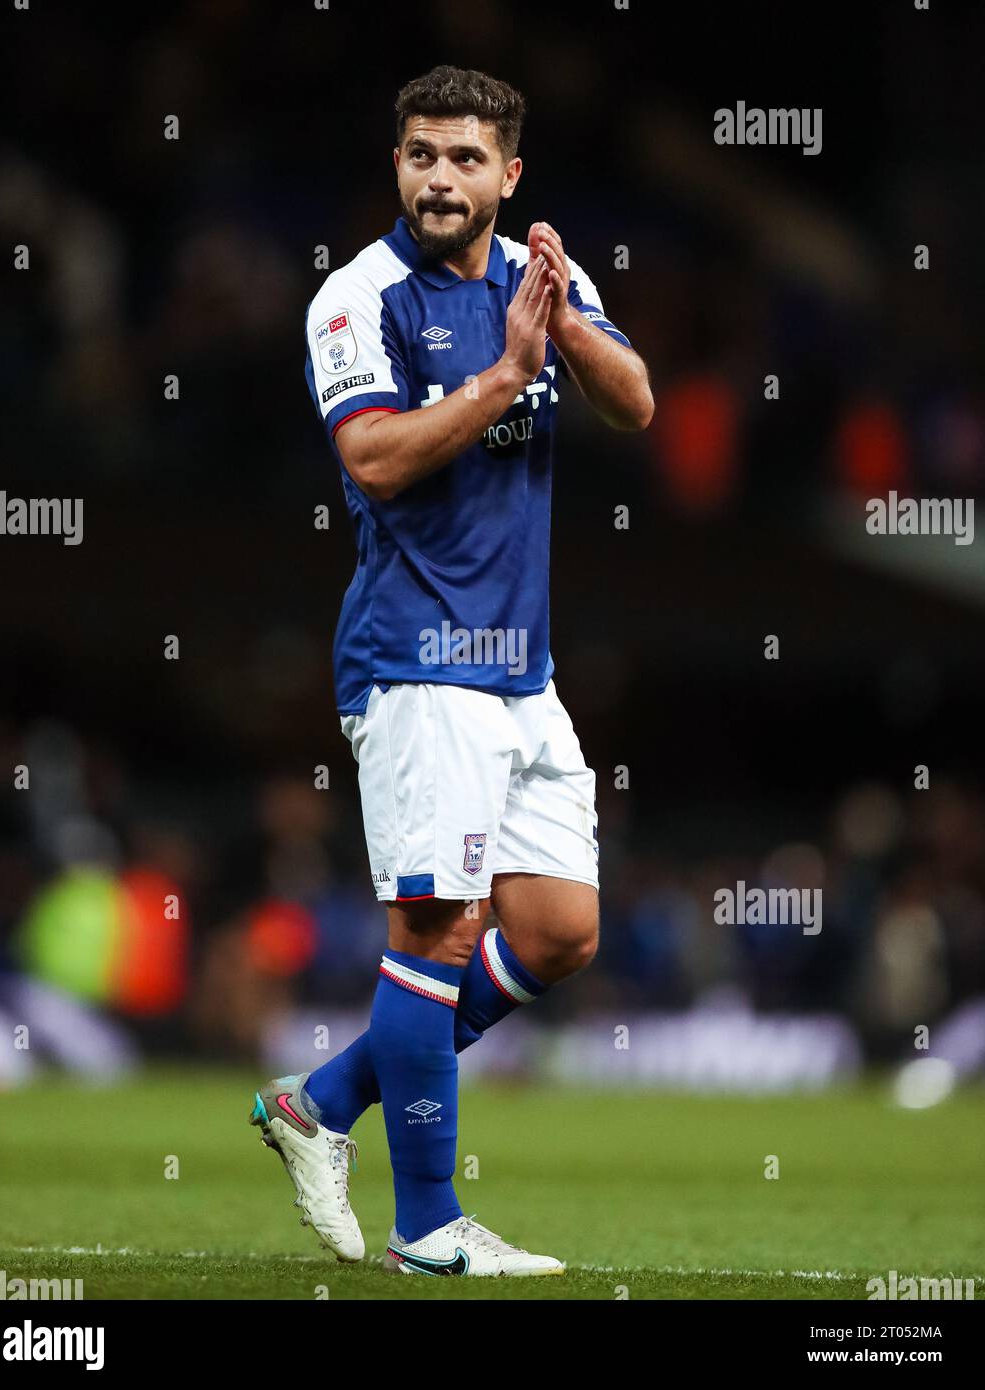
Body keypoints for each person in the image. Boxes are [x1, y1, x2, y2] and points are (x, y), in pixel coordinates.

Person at [250, 64, 653, 1277]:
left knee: (559, 928)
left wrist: (560, 324)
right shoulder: (354, 297)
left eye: (466, 158)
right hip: (417, 659)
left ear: (508, 176)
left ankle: (316, 1100)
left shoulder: (549, 278)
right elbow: (370, 459)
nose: (441, 177)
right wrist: (495, 377)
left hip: (519, 672)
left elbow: (634, 404)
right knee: (437, 930)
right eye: (422, 154)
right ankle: (428, 1224)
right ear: (397, 167)